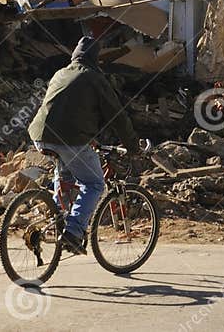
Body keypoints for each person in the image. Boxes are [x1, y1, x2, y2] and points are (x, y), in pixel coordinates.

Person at [27, 36, 140, 255]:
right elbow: (117, 116)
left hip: (40, 135)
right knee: (95, 183)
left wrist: (89, 136)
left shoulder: (61, 73)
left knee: (65, 174)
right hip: (69, 140)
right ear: (95, 58)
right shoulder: (94, 77)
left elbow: (67, 109)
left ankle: (58, 218)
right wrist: (133, 146)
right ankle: (73, 232)